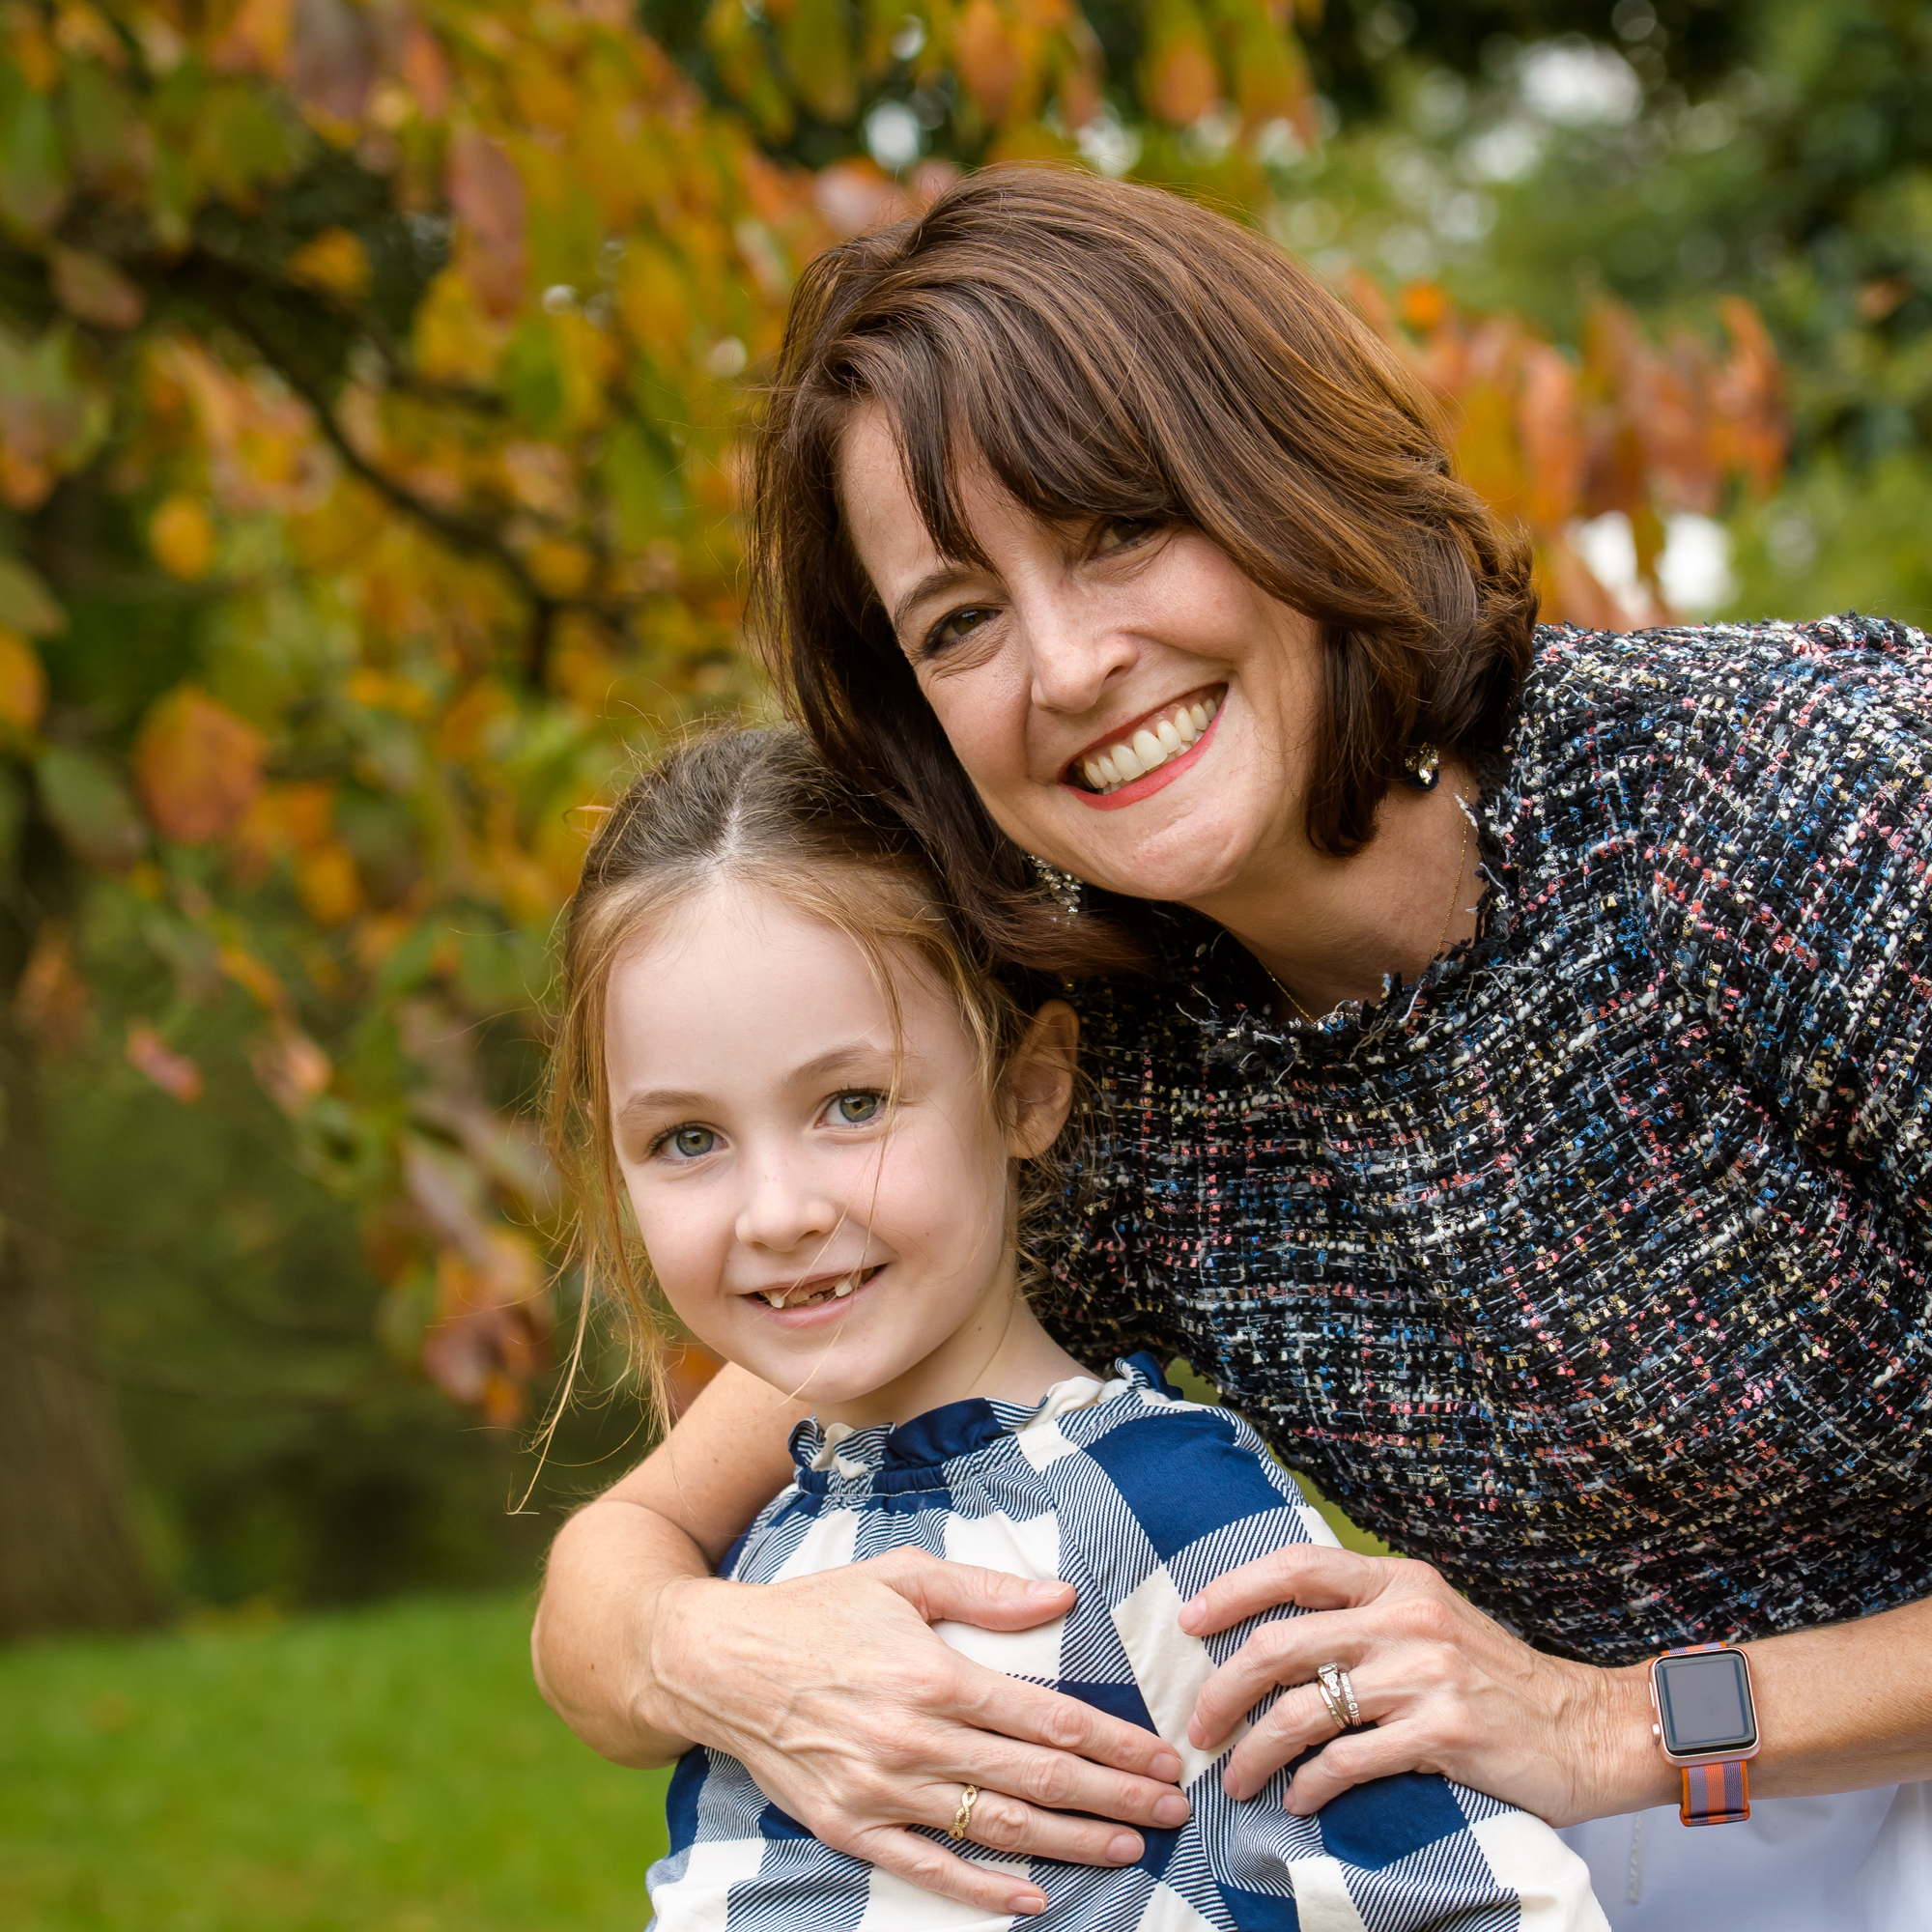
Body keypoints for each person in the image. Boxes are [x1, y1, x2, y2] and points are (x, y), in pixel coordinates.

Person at [532, 168, 1932, 1930]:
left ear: (1277, 468)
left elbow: (1599, 1739)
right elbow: (604, 1579)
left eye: (1118, 529)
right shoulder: (1107, 1084)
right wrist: (723, 1655)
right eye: (962, 623)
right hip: (1656, 1843)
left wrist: (1620, 1720)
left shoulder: (1800, 807)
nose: (1070, 663)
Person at [545, 723, 1605, 1929]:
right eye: (687, 1139)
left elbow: (1489, 1900)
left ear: (1025, 1091)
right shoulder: (774, 1536)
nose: (776, 1212)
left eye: (852, 1103)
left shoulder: (1155, 1497)